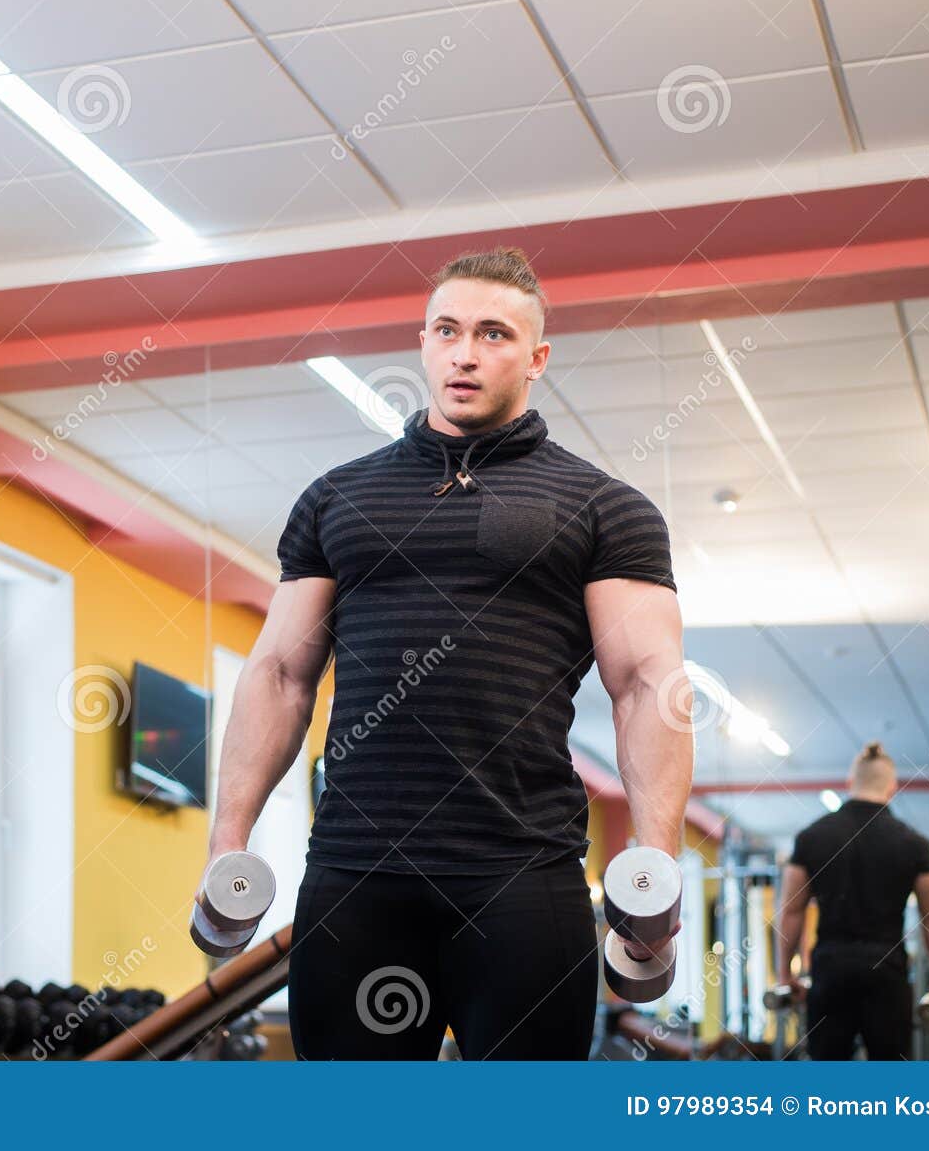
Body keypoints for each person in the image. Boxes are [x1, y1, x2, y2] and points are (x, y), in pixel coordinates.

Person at [199, 247, 693, 1060]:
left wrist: (656, 857)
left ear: (536, 358)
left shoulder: (605, 508)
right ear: (424, 343)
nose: (465, 352)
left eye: (494, 334)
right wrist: (230, 837)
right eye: (447, 330)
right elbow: (280, 674)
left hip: (522, 873)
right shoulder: (337, 498)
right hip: (357, 871)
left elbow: (648, 684)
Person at [774, 741, 929, 1060]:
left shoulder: (811, 837)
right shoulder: (914, 843)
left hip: (831, 971)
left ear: (849, 783)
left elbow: (791, 912)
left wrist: (785, 974)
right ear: (892, 788)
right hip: (887, 972)